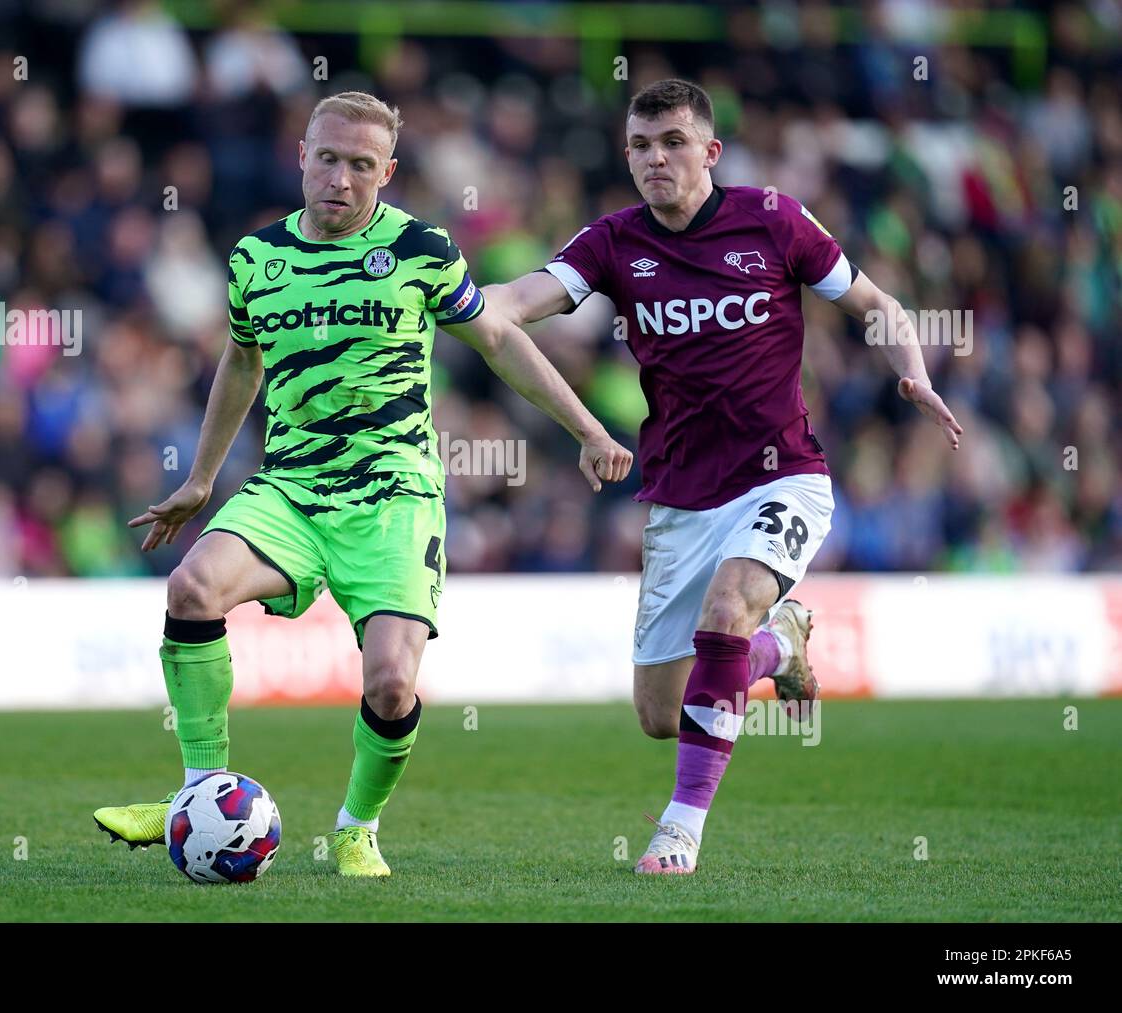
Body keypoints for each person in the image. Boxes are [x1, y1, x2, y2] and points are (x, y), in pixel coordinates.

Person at [92, 91, 632, 877]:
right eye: (327, 158)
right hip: (292, 489)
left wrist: (588, 428)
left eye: (360, 165)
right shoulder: (255, 259)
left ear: (388, 171)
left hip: (394, 498)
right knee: (191, 589)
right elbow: (241, 362)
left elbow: (497, 340)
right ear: (301, 157)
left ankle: (356, 826)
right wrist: (203, 477)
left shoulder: (420, 249)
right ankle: (198, 792)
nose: (340, 179)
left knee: (388, 681)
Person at [486, 79, 962, 875]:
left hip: (783, 477)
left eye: (672, 142)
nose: (654, 160)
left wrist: (912, 374)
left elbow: (879, 304)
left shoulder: (773, 219)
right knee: (659, 713)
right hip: (679, 495)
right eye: (640, 146)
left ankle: (679, 830)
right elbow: (520, 298)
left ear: (710, 151)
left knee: (727, 603)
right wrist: (457, 298)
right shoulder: (613, 241)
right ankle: (781, 644)